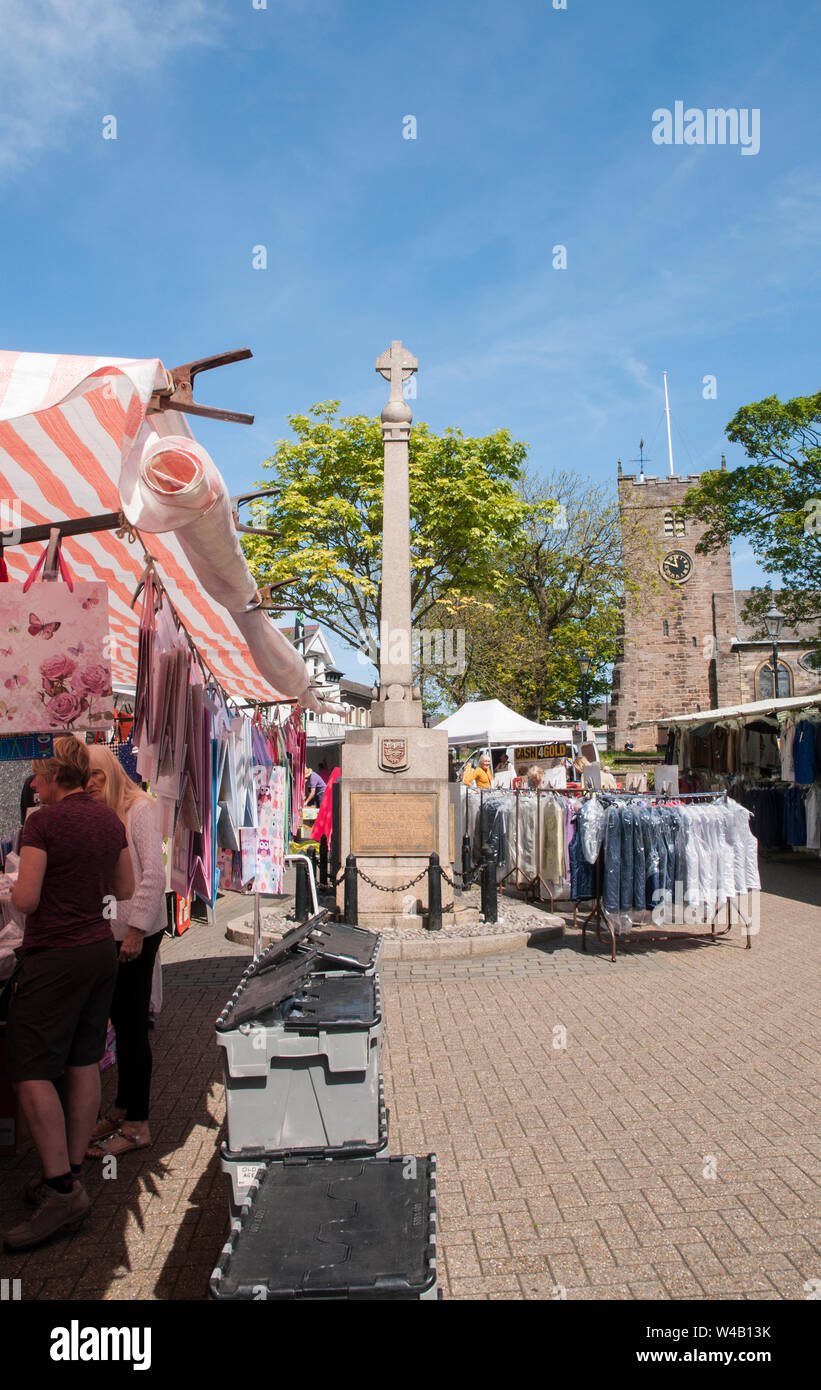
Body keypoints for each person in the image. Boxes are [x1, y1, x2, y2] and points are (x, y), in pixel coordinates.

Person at [2, 738, 134, 1250]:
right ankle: (73, 1173)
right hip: (97, 952)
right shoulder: (108, 820)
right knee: (82, 1061)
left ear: (55, 776)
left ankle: (61, 1189)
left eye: (37, 775)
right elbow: (123, 887)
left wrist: (16, 889)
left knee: (30, 1068)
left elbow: (28, 898)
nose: (33, 784)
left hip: (54, 955)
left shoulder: (42, 823)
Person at [83, 745, 167, 1161]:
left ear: (113, 772)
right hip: (112, 932)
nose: (92, 783)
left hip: (138, 931)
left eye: (98, 774)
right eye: (86, 776)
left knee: (132, 1026)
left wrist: (135, 930)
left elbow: (154, 872)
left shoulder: (140, 809)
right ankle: (122, 1107)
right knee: (121, 1020)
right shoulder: (103, 811)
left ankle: (138, 1124)